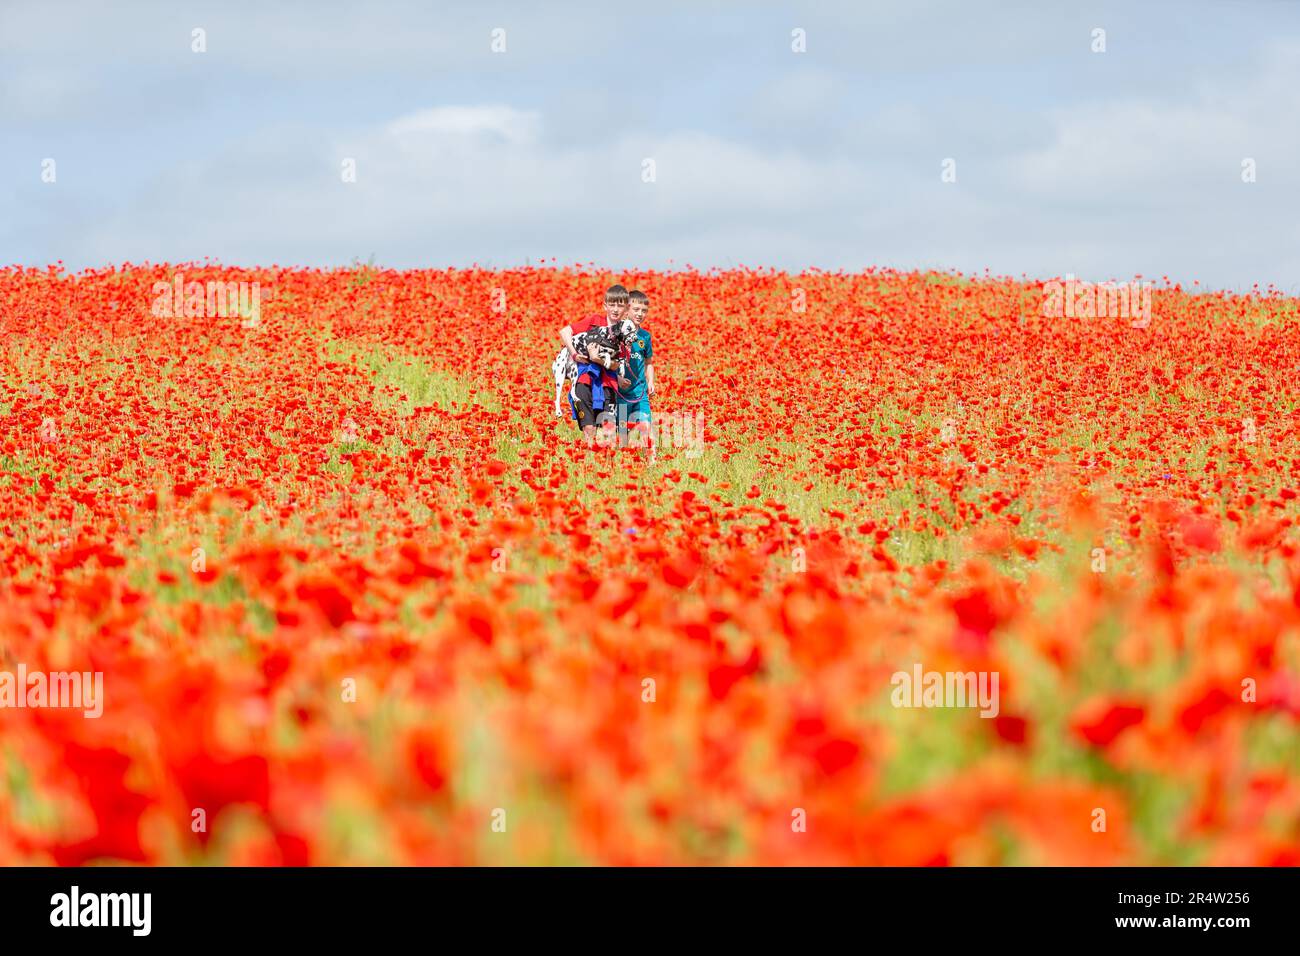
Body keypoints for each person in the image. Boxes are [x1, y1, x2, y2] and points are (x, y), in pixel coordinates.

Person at [559, 285, 627, 445]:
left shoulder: (625, 332)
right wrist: (574, 353)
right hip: (584, 381)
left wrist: (597, 359)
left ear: (626, 308)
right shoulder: (594, 321)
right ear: (605, 306)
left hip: (608, 385)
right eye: (612, 305)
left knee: (608, 431)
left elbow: (618, 364)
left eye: (620, 305)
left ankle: (607, 465)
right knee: (589, 429)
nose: (615, 309)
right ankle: (590, 463)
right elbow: (564, 332)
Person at [614, 289, 655, 459]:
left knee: (647, 428)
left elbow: (648, 362)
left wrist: (651, 382)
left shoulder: (645, 336)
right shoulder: (616, 333)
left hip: (640, 393)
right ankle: (624, 466)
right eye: (636, 309)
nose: (640, 314)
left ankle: (652, 462)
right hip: (620, 394)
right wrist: (616, 379)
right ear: (627, 309)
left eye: (644, 311)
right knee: (623, 435)